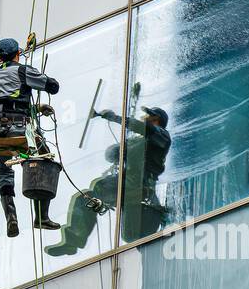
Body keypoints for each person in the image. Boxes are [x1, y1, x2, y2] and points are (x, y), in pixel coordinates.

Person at [46, 105, 172, 256]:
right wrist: (115, 151)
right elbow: (111, 154)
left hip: (139, 187)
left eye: (151, 118)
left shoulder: (162, 137)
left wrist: (114, 118)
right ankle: (72, 243)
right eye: (147, 117)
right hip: (129, 186)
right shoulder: (138, 142)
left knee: (98, 188)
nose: (146, 119)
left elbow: (143, 128)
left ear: (157, 121)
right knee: (84, 199)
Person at [0, 36, 61, 238]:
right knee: (44, 160)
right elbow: (53, 86)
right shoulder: (22, 70)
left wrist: (36, 108)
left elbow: (6, 102)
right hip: (18, 130)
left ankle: (11, 217)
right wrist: (38, 78)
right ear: (17, 54)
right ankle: (41, 217)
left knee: (4, 171)